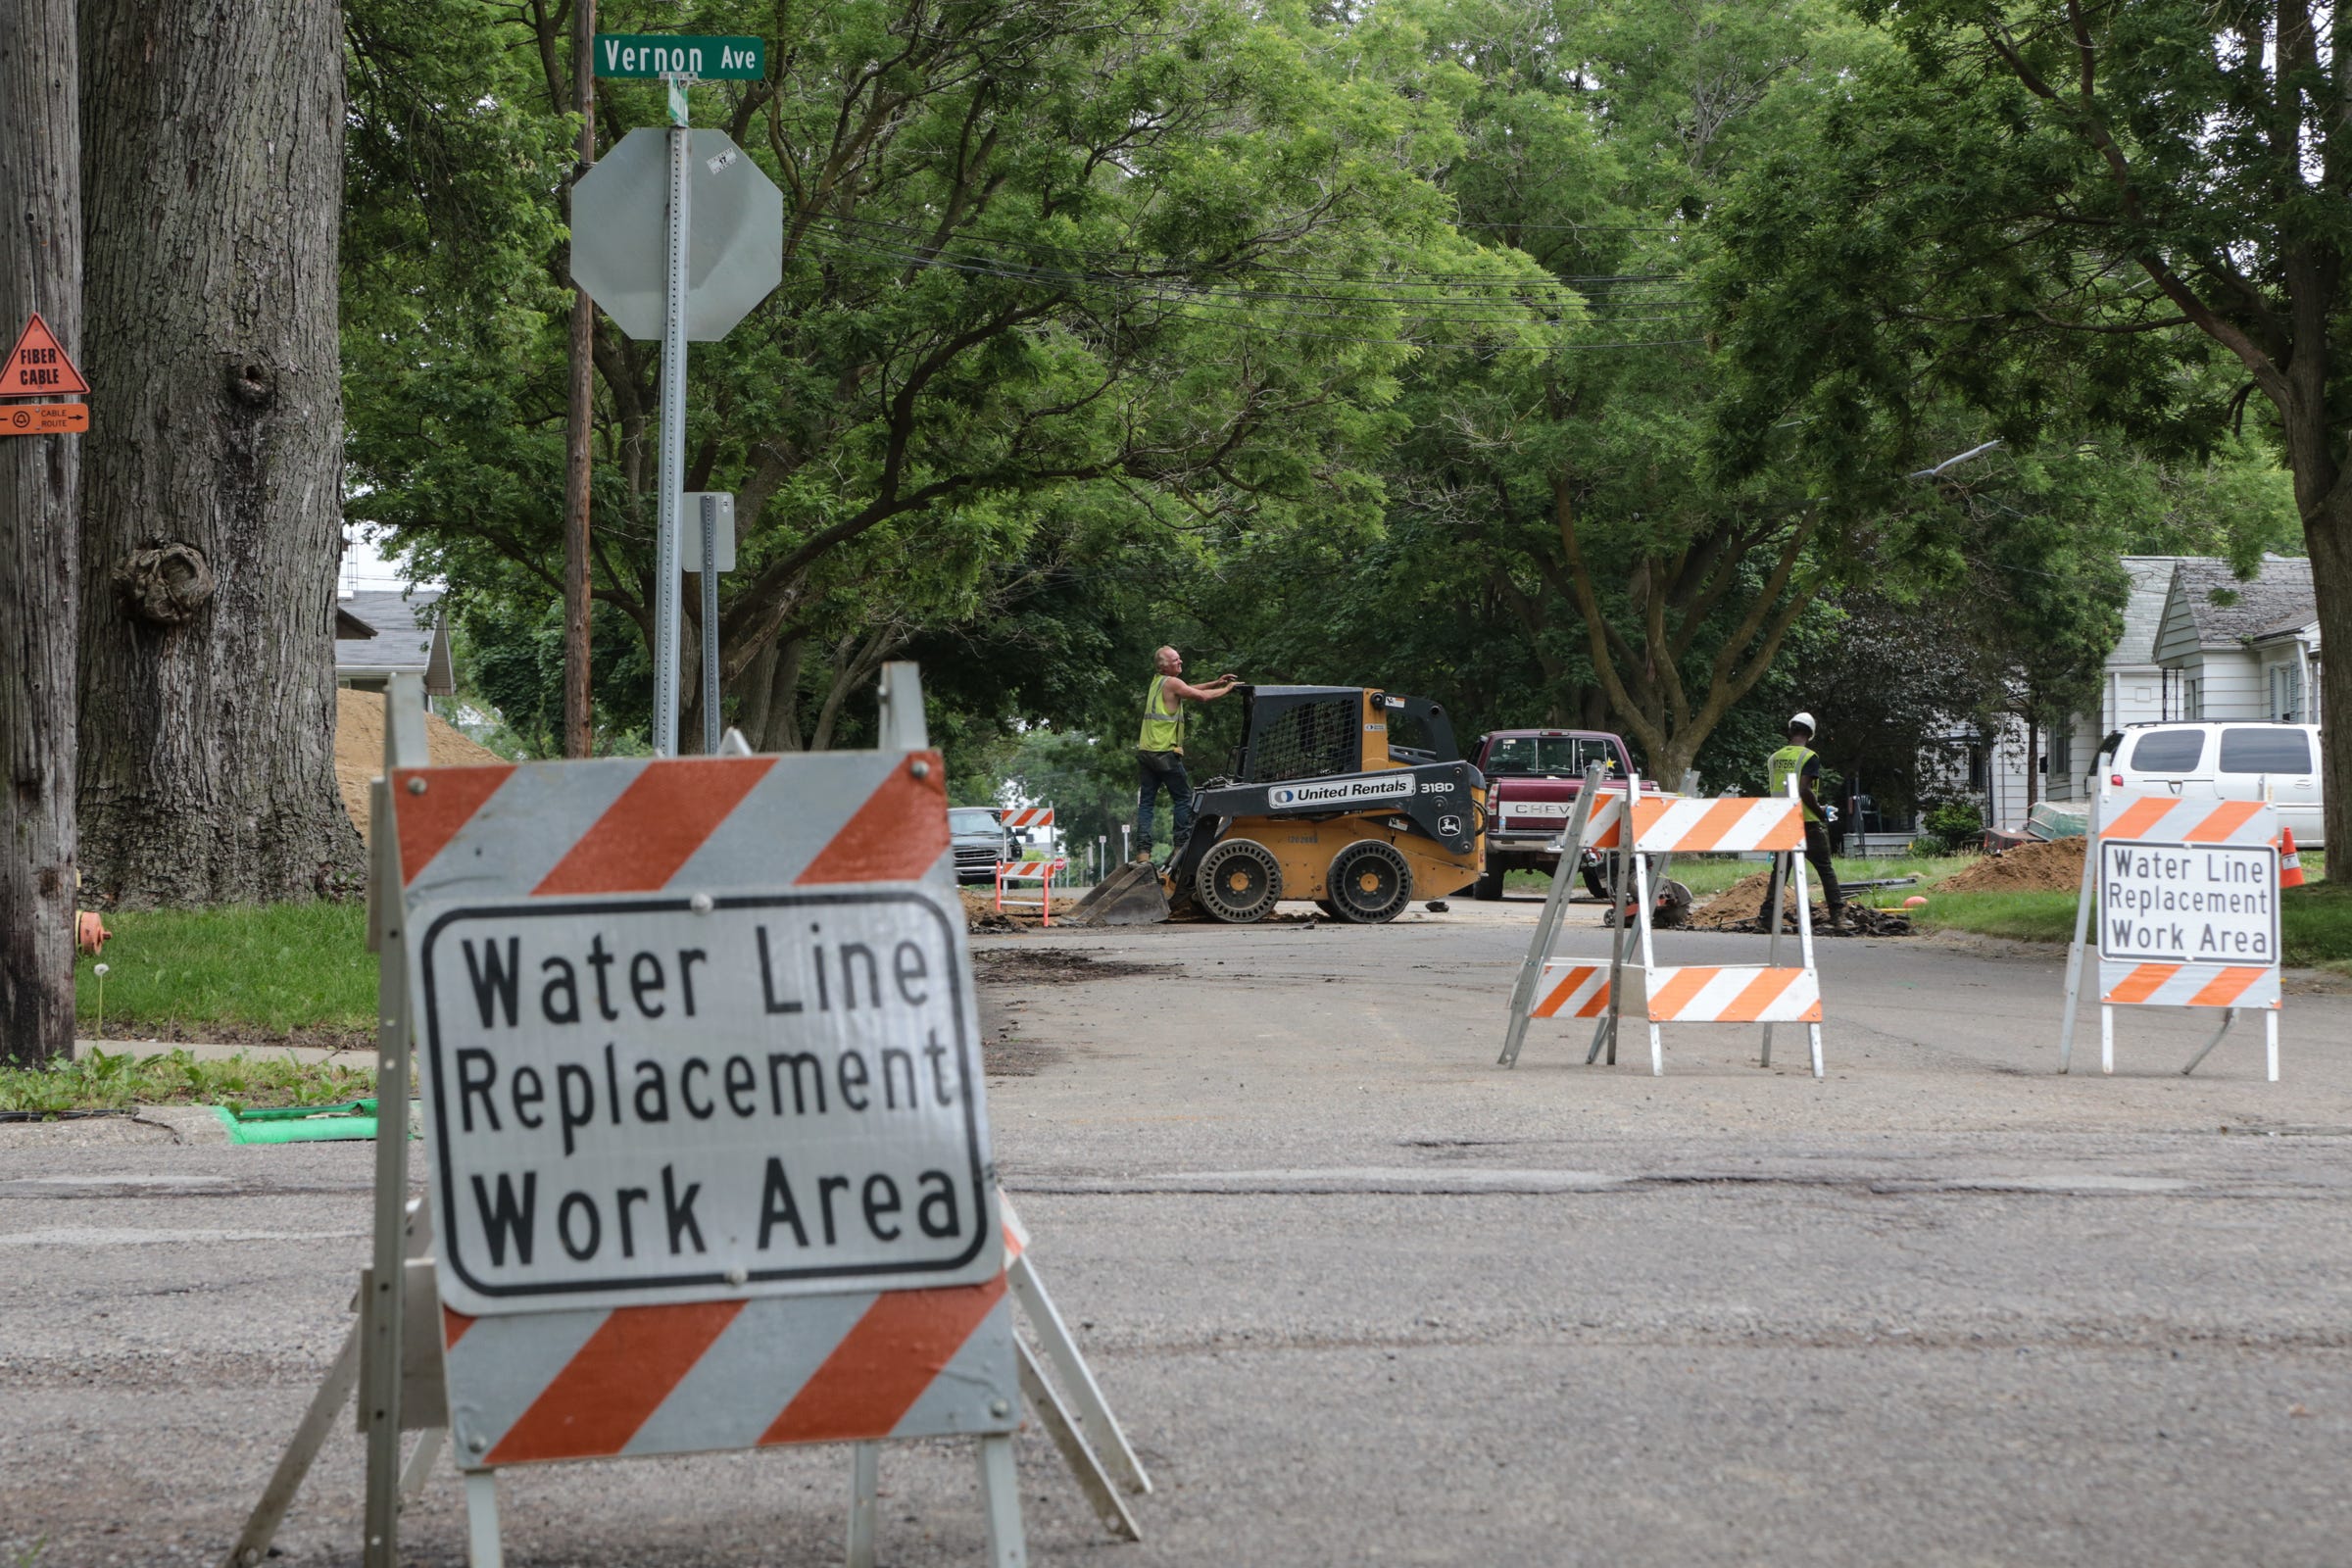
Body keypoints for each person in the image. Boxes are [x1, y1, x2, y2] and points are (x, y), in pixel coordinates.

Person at [1136, 647, 1238, 861]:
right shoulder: (1171, 683)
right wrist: (1228, 689)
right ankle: (1181, 845)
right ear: (1164, 666)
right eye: (1175, 659)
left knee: (1146, 803)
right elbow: (1201, 697)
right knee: (1183, 798)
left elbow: (1188, 688)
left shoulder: (1158, 681)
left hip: (1146, 752)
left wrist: (1216, 683)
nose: (1180, 661)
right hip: (1164, 753)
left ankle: (1143, 852)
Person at [1762, 712, 1846, 931]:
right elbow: (1804, 790)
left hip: (1781, 820)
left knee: (1780, 870)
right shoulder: (1809, 757)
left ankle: (1766, 919)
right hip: (1805, 821)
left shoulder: (1774, 758)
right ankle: (1838, 917)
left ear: (1790, 731)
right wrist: (1821, 813)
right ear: (1810, 734)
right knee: (1825, 869)